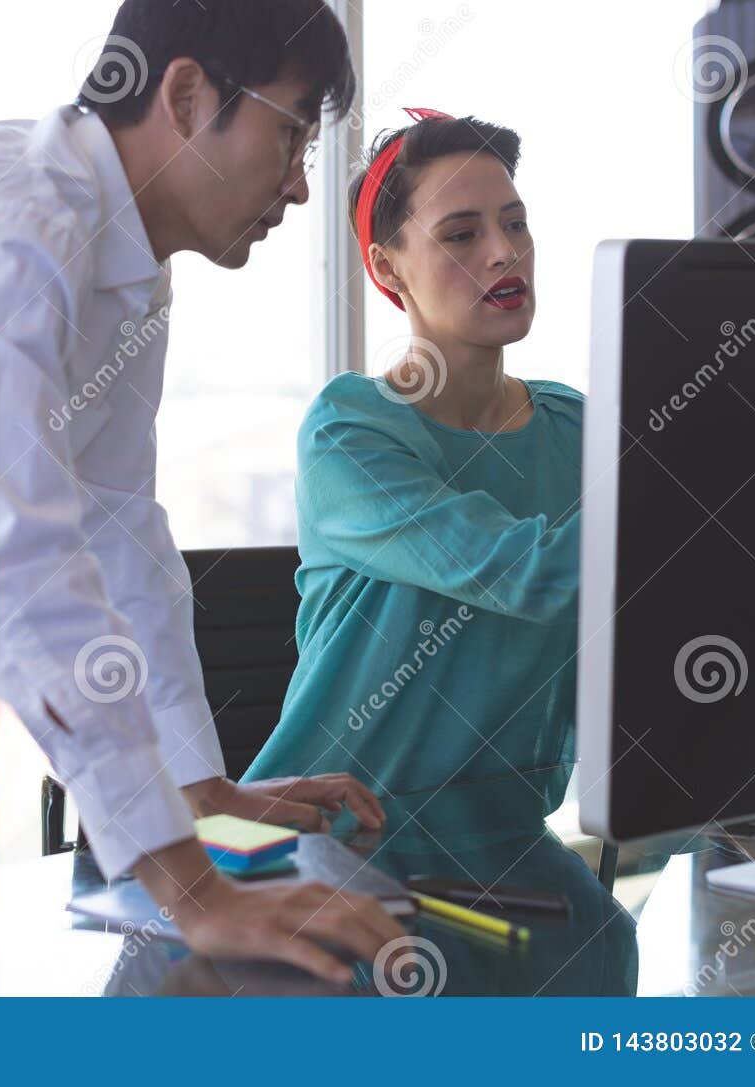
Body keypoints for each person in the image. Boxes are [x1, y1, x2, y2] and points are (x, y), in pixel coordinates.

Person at [0, 0, 404, 985]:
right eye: (289, 133)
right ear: (186, 96)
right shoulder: (21, 222)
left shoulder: (132, 272)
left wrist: (201, 789)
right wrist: (195, 890)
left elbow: (118, 531)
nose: (301, 186)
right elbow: (18, 561)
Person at [242, 112, 587, 843]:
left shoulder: (575, 429)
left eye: (516, 224)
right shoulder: (350, 431)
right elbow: (531, 573)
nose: (504, 253)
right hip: (322, 845)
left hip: (500, 845)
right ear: (389, 267)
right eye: (461, 235)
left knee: (610, 951)